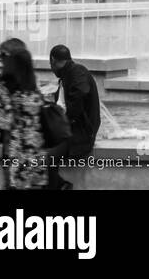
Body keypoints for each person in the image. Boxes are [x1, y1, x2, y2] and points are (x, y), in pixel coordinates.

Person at [0, 46, 48, 190]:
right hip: (36, 149)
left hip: (15, 150)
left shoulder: (5, 88)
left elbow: (3, 122)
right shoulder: (33, 87)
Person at [46, 44, 100, 189]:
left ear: (53, 60)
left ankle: (61, 185)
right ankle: (61, 185)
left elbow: (79, 97)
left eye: (51, 64)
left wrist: (64, 119)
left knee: (48, 158)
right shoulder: (67, 75)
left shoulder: (77, 71)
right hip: (71, 131)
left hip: (80, 134)